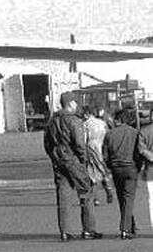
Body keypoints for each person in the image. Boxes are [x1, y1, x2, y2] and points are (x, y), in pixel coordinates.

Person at [44, 94, 100, 240]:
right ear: (70, 103)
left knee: (63, 196)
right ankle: (88, 229)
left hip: (58, 161)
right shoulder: (74, 121)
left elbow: (47, 144)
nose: (76, 105)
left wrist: (54, 156)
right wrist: (83, 160)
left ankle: (65, 231)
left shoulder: (52, 121)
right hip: (74, 160)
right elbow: (80, 144)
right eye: (75, 102)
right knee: (86, 193)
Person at [103, 109, 141, 239]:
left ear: (118, 119)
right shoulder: (135, 133)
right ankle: (125, 228)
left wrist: (111, 166)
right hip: (130, 167)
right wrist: (138, 166)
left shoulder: (109, 134)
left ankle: (130, 225)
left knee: (121, 198)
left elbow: (105, 155)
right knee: (129, 198)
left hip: (116, 169)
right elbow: (139, 152)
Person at [82, 106, 115, 209]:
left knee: (92, 174)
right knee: (103, 170)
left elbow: (83, 140)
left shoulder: (85, 124)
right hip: (102, 148)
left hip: (91, 149)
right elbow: (109, 135)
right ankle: (109, 189)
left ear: (87, 114)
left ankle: (95, 198)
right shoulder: (102, 123)